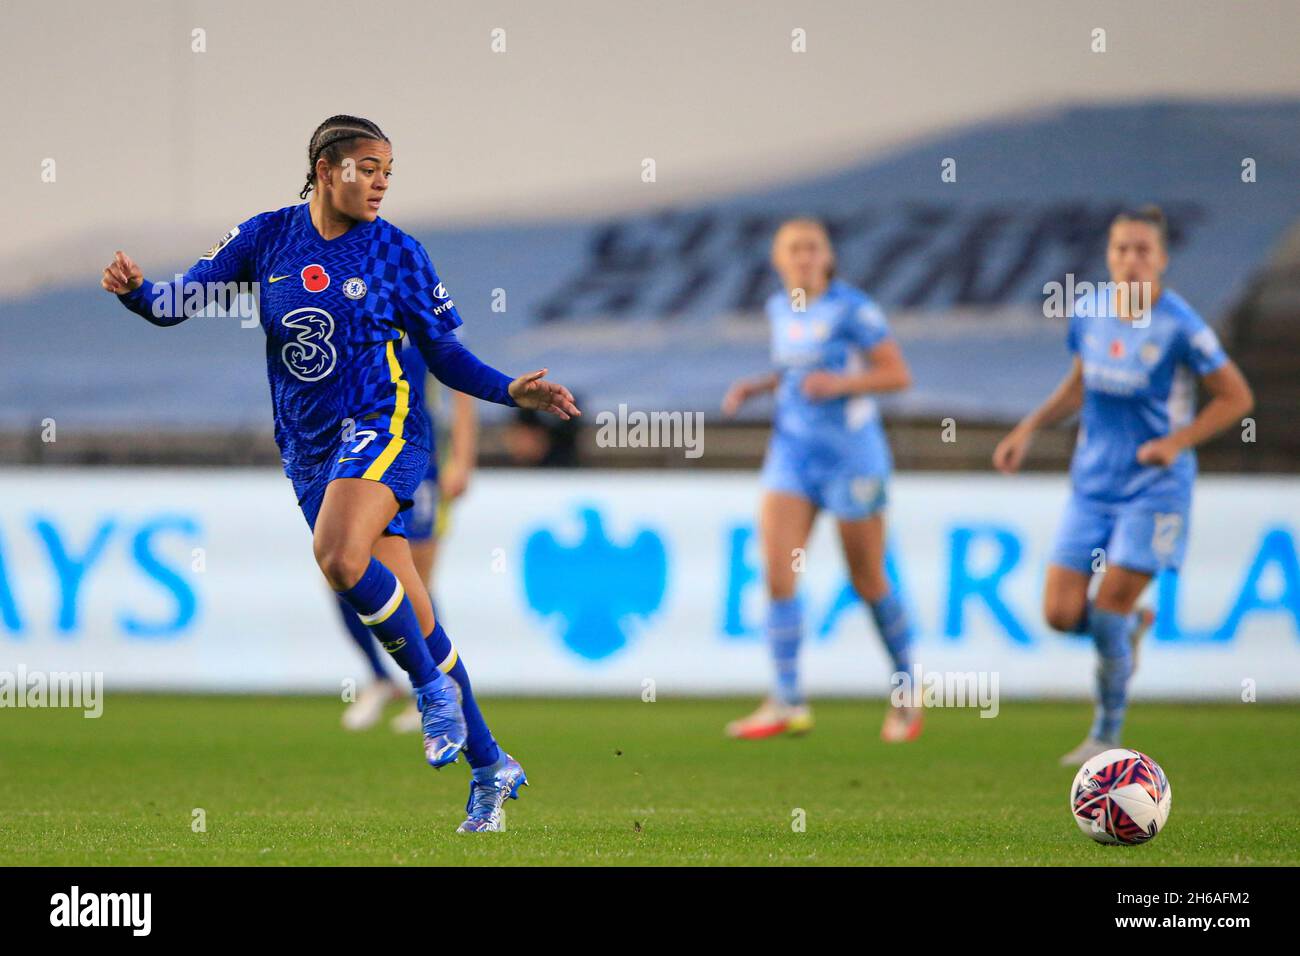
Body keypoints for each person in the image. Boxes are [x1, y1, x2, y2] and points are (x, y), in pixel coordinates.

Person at [101, 115, 579, 831]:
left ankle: (426, 691)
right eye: (367, 166)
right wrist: (137, 292)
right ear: (326, 169)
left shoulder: (399, 253)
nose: (382, 179)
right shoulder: (266, 236)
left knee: (336, 554)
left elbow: (445, 354)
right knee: (410, 608)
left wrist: (510, 390)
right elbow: (180, 301)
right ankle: (490, 764)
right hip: (307, 446)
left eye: (389, 167)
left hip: (384, 428)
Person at [992, 205, 1254, 766]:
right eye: (1121, 249)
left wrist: (1176, 442)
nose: (1131, 259)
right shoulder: (1088, 311)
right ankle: (1131, 629)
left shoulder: (1181, 325)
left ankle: (1105, 735)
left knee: (1107, 604)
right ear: (1109, 256)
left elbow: (1237, 397)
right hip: (1092, 486)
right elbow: (1079, 386)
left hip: (1154, 488)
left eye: (1142, 250)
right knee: (1061, 614)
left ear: (1160, 258)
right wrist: (1029, 427)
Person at [721, 218, 921, 743]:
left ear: (827, 257)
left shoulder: (854, 310)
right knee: (778, 574)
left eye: (812, 248)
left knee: (868, 579)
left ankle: (906, 690)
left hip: (852, 459)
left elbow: (898, 375)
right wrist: (759, 385)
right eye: (794, 249)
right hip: (792, 455)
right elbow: (795, 369)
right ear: (777, 259)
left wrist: (843, 384)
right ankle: (787, 698)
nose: (804, 257)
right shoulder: (778, 309)